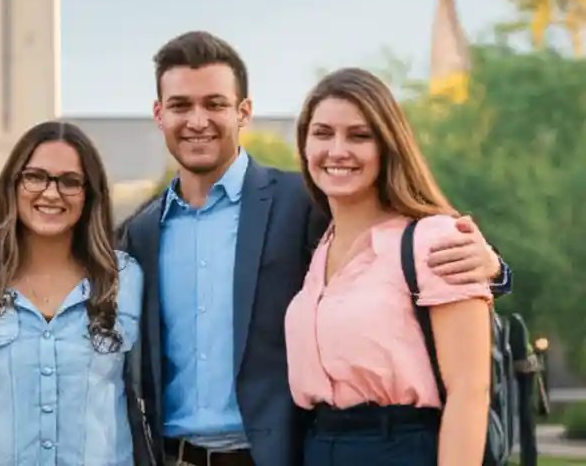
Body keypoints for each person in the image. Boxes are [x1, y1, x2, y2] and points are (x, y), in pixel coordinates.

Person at [120, 31, 511, 466]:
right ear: (159, 114)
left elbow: (403, 240)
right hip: (179, 457)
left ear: (243, 111)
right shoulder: (141, 231)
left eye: (214, 104)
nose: (197, 120)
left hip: (285, 454)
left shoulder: (302, 205)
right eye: (180, 105)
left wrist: (494, 269)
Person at [284, 67, 493, 465]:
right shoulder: (319, 248)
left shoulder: (435, 238)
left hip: (400, 448)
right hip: (320, 445)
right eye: (323, 133)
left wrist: (496, 269)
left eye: (359, 135)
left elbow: (470, 390)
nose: (337, 150)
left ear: (388, 146)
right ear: (305, 144)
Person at [0, 120, 147, 465]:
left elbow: (145, 394)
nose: (51, 193)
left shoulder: (125, 278)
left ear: (90, 194)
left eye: (70, 181)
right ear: (13, 185)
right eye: (35, 177)